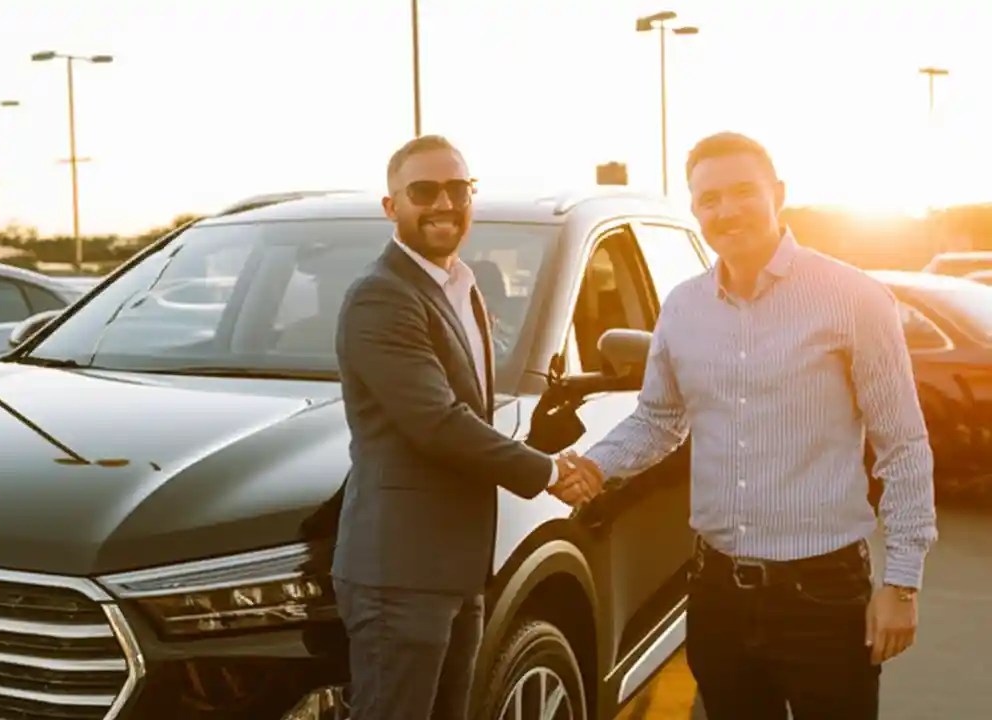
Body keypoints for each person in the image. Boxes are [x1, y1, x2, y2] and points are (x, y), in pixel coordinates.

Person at [561, 131, 938, 719]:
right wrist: (594, 465)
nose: (726, 209)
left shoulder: (852, 298)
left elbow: (904, 446)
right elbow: (659, 421)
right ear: (695, 209)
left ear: (778, 194)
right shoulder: (683, 307)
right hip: (717, 594)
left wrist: (902, 583)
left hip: (824, 594)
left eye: (743, 191)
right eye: (709, 198)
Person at [331, 134, 595, 720]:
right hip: (399, 574)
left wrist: (535, 443)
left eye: (458, 189)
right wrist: (547, 471)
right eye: (424, 191)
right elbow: (436, 423)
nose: (444, 204)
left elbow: (468, 419)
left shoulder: (462, 284)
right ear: (391, 205)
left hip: (460, 567)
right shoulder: (382, 297)